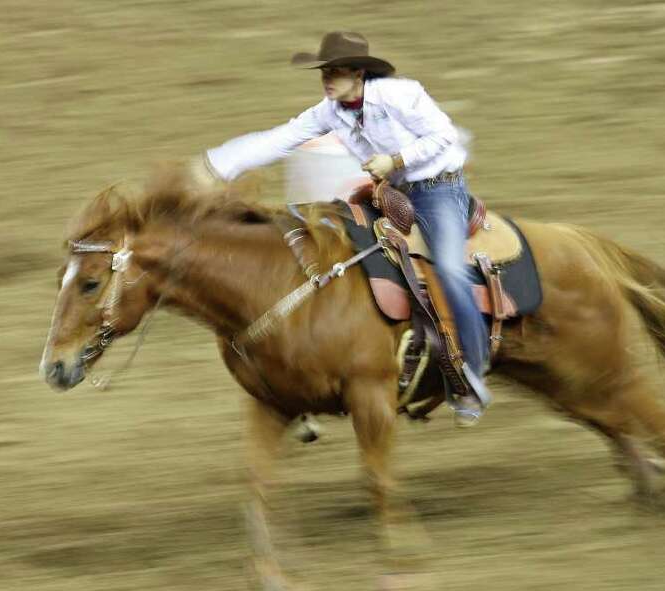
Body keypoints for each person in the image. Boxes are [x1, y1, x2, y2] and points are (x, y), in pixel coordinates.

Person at [191, 31, 490, 427]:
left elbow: (445, 135)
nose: (327, 78)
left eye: (336, 71)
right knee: (331, 243)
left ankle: (471, 374)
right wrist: (216, 165)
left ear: (360, 74)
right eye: (324, 72)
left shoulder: (402, 95)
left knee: (451, 271)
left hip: (439, 190)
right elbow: (280, 139)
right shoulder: (329, 111)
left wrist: (396, 159)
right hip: (390, 190)